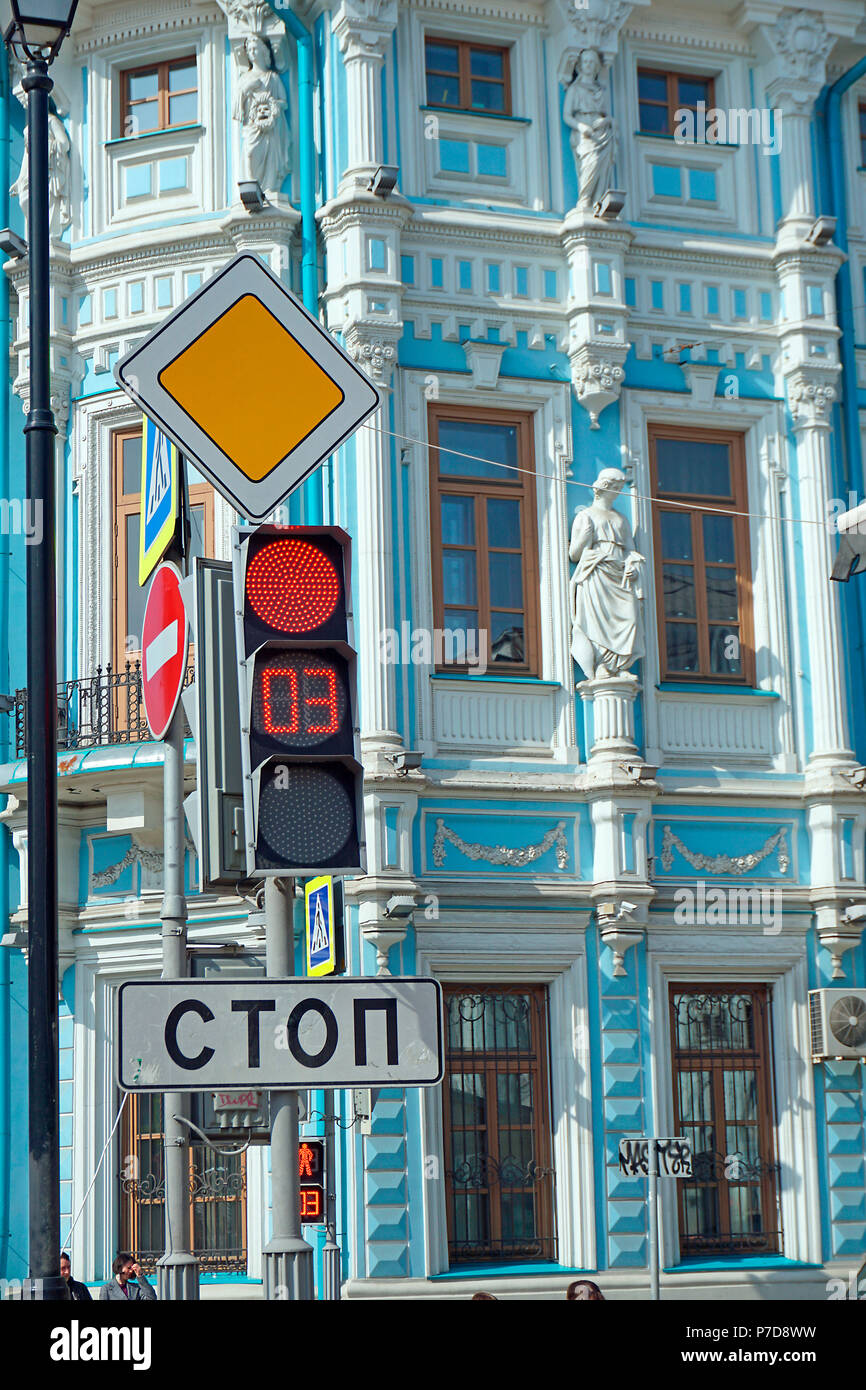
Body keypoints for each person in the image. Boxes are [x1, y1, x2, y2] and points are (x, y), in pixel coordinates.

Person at [569, 467, 645, 680]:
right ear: (603, 487)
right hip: (597, 574)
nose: (618, 491)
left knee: (629, 618)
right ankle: (603, 665)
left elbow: (630, 549)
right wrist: (585, 537)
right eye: (615, 487)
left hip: (620, 575)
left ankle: (620, 666)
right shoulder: (586, 516)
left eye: (620, 487)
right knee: (596, 622)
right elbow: (574, 554)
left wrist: (632, 564)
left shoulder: (620, 519)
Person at [562, 49, 616, 213]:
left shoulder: (600, 89)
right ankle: (584, 200)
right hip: (585, 130)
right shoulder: (575, 89)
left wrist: (606, 120)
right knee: (590, 163)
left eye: (592, 62)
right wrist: (581, 127)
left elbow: (606, 113)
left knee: (603, 166)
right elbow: (566, 115)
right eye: (585, 61)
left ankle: (598, 201)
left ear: (597, 66)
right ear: (580, 65)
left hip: (602, 131)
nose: (589, 65)